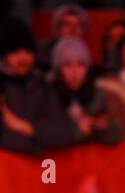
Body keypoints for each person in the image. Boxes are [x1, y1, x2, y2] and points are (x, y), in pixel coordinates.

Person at [0, 17, 78, 154]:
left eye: (28, 52)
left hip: (42, 171)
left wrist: (28, 128)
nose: (23, 58)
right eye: (16, 52)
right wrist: (39, 143)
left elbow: (66, 132)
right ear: (4, 56)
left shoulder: (42, 86)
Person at [49, 36, 121, 145]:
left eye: (80, 65)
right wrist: (77, 132)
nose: (74, 72)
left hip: (92, 159)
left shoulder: (97, 94)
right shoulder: (48, 95)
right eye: (67, 65)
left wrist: (105, 127)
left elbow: (118, 135)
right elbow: (45, 136)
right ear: (58, 69)